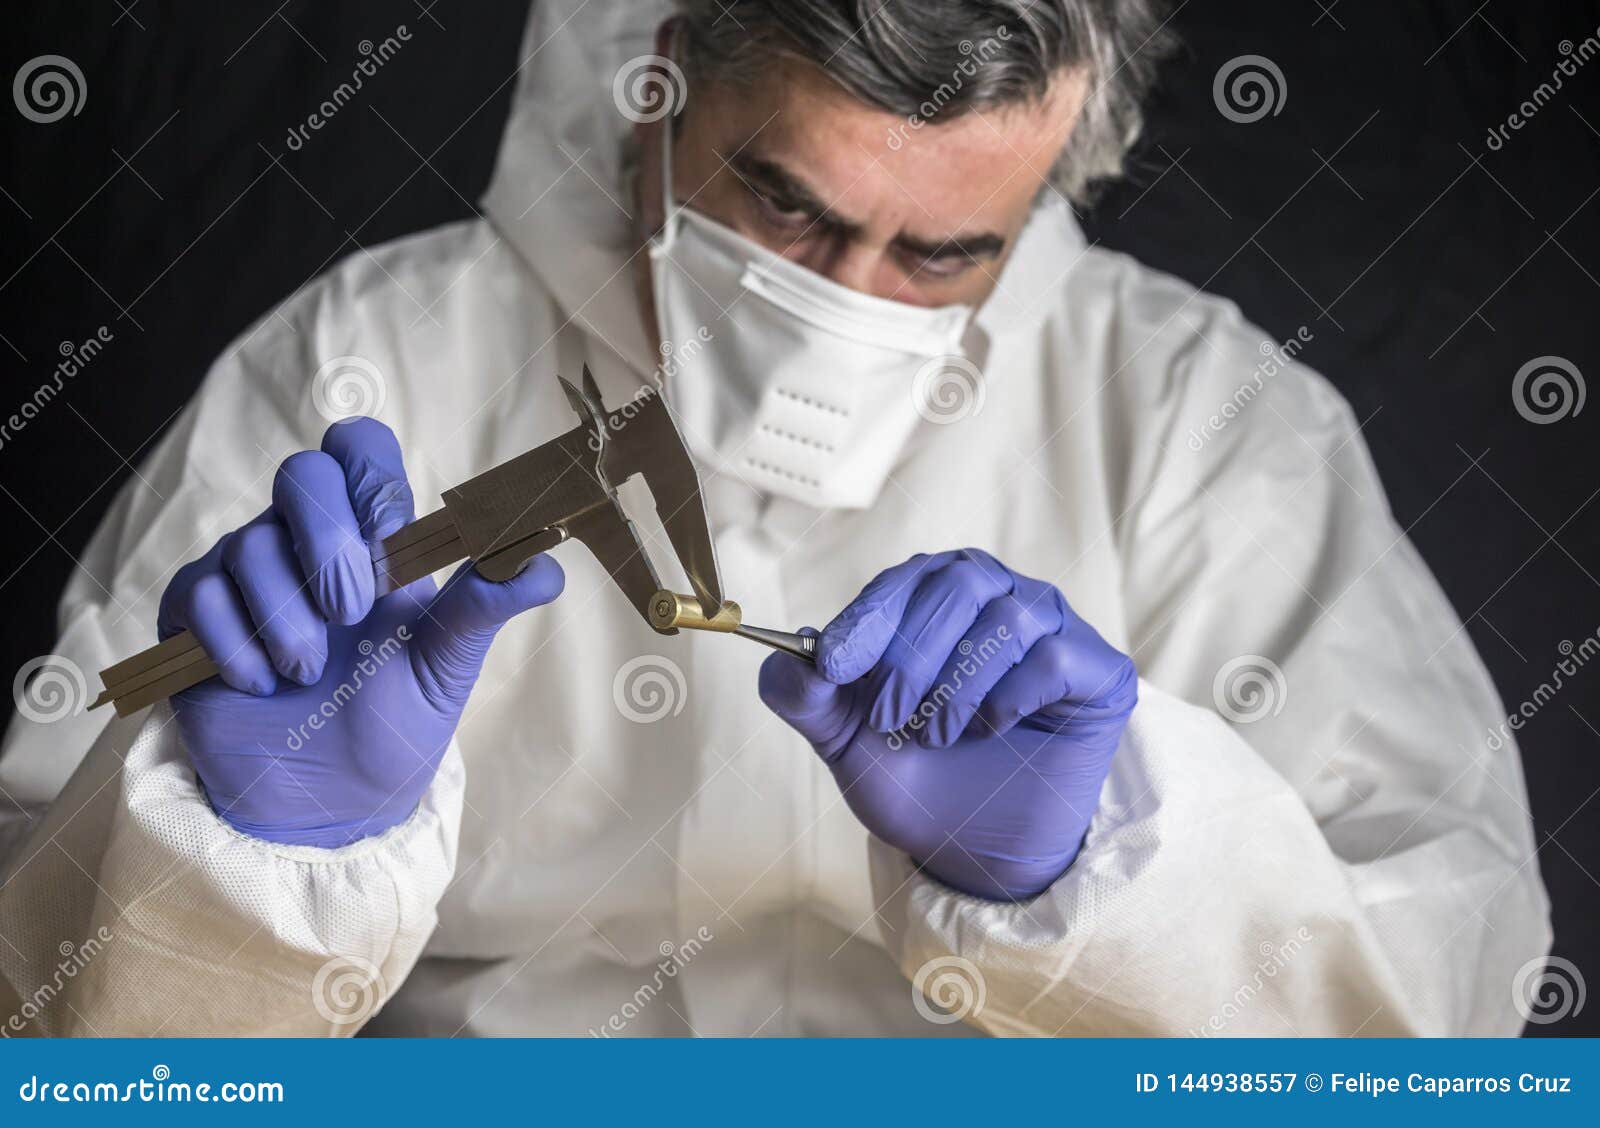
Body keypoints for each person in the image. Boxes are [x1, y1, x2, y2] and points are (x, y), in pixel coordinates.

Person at [0, 0, 1548, 1037]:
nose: (842, 305)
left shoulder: (1203, 420)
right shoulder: (366, 366)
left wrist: (1101, 875)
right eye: (788, 204)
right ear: (667, 72)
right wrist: (248, 854)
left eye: (944, 254)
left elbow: (1443, 1012)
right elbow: (49, 1027)